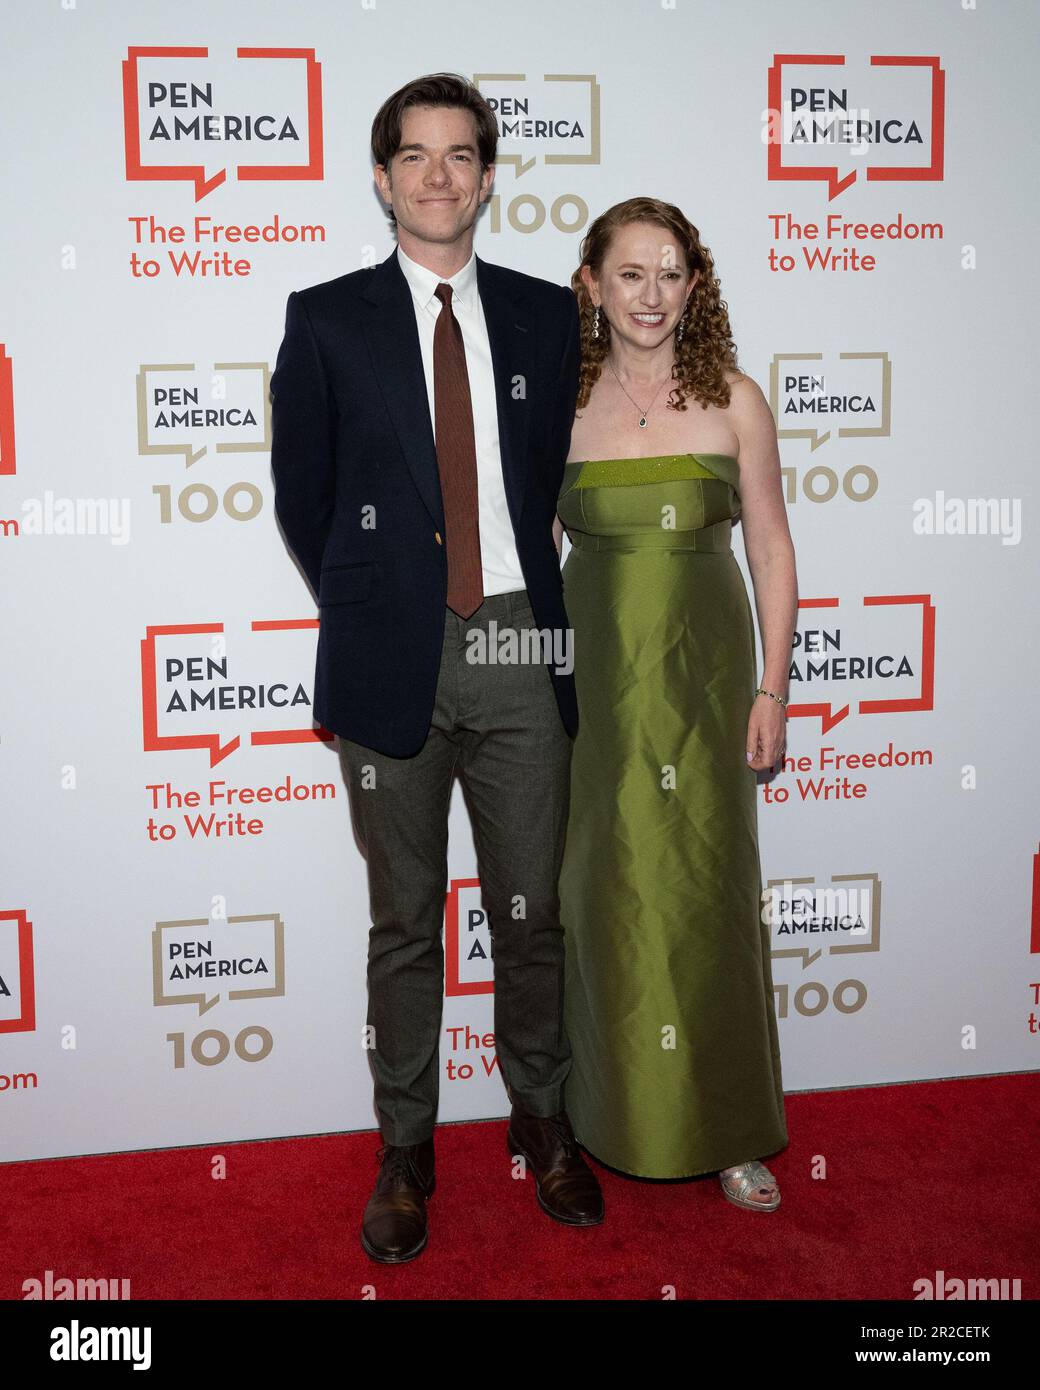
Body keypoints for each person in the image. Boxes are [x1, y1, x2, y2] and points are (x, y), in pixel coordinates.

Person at [270, 73, 603, 1264]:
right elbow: (299, 499)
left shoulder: (540, 315)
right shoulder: (325, 317)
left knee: (532, 913)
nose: (437, 176)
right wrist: (375, 605)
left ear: (487, 176)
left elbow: (551, 480)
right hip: (388, 656)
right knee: (403, 921)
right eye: (414, 156)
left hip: (522, 638)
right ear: (380, 175)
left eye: (460, 156)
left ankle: (543, 1124)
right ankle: (404, 1149)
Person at [554, 197, 794, 1207]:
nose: (649, 296)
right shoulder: (554, 407)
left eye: (669, 274)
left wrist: (771, 687)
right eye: (629, 274)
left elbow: (771, 548)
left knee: (702, 888)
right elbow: (534, 551)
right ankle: (602, 1118)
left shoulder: (734, 397)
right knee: (599, 895)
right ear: (592, 286)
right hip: (593, 679)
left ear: (693, 286)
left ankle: (724, 1120)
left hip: (701, 676)